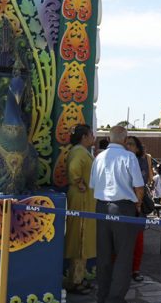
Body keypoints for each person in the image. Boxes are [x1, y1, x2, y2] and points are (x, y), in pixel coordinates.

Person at [89, 126, 145, 303]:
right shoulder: (129, 157)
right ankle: (115, 298)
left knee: (103, 254)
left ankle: (103, 295)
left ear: (109, 137)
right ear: (124, 138)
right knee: (123, 255)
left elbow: (92, 184)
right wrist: (138, 204)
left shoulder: (99, 157)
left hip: (101, 207)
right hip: (123, 207)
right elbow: (139, 187)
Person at [64, 124, 96, 294]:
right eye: (91, 134)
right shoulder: (79, 152)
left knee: (82, 239)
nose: (93, 137)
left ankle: (79, 277)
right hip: (82, 199)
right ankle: (75, 282)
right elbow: (74, 169)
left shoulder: (81, 151)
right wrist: (79, 182)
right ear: (84, 136)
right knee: (80, 240)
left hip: (85, 199)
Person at [125, 135, 154, 282]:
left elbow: (140, 183)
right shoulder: (121, 160)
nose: (128, 146)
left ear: (137, 148)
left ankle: (135, 269)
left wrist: (138, 203)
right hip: (123, 205)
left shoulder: (141, 161)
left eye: (131, 144)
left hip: (137, 205)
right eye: (126, 144)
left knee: (138, 239)